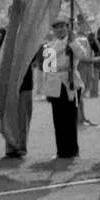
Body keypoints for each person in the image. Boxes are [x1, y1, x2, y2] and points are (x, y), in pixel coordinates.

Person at [42, 18, 81, 159]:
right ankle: (61, 151)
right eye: (56, 27)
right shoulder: (50, 46)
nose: (59, 29)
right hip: (55, 84)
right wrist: (47, 90)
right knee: (58, 120)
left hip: (69, 82)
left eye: (62, 26)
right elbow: (47, 70)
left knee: (70, 118)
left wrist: (73, 43)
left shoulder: (73, 42)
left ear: (67, 27)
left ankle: (72, 151)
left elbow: (81, 55)